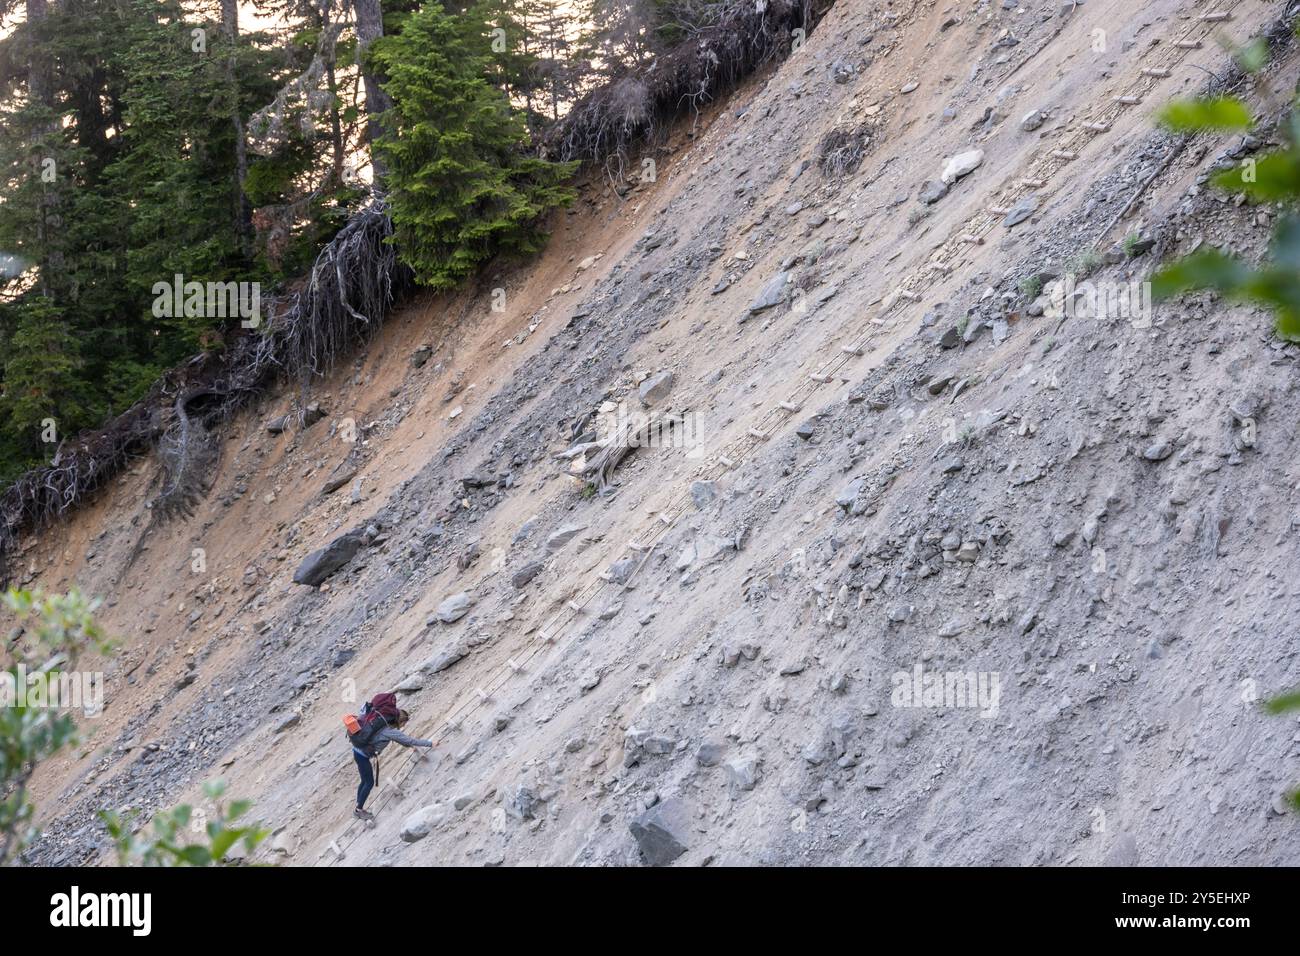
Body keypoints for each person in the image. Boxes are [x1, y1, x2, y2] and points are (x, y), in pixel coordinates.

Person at [352, 705, 434, 820]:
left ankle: (358, 805)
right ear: (399, 721)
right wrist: (431, 743)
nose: (403, 726)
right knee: (369, 782)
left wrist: (411, 746)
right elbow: (408, 739)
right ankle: (358, 810)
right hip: (363, 756)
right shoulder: (389, 731)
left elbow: (403, 741)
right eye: (403, 724)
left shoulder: (383, 726)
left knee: (365, 780)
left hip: (357, 751)